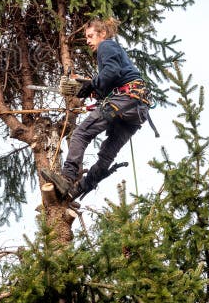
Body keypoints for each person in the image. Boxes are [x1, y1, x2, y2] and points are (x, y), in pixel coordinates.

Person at [42, 18, 151, 201]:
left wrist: (91, 85)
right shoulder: (113, 51)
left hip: (125, 99)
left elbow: (110, 72)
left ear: (102, 34)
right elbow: (111, 79)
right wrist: (92, 88)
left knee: (81, 134)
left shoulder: (106, 46)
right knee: (106, 156)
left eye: (90, 36)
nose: (88, 40)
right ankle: (78, 189)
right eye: (86, 37)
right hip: (137, 111)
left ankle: (67, 178)